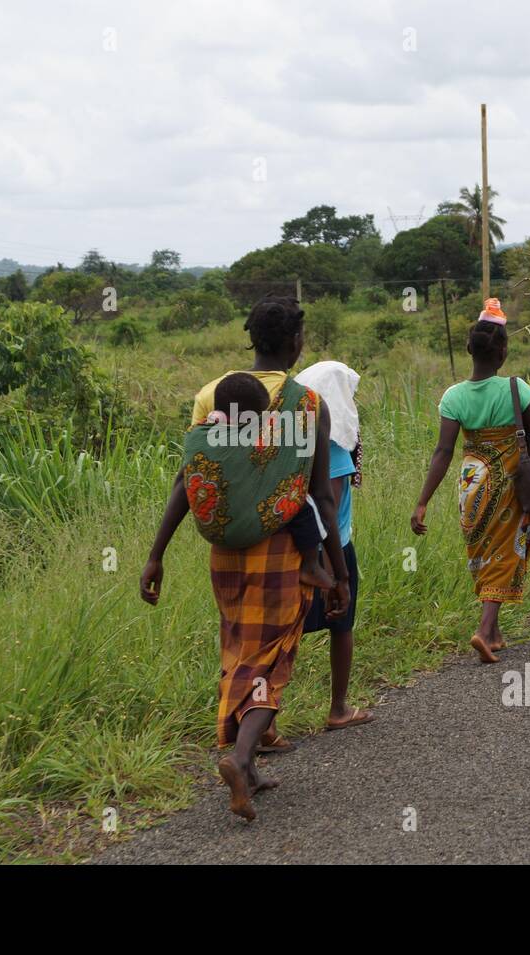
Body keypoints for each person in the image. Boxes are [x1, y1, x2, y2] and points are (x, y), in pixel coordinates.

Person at [140, 295, 350, 822]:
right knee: (274, 654)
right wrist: (336, 569)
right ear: (295, 342)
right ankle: (239, 756)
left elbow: (190, 478)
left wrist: (155, 555)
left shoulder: (211, 394)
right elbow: (320, 494)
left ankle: (250, 770)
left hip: (225, 550)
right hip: (281, 548)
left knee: (238, 648)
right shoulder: (307, 403)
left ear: (251, 339)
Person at [410, 299, 530, 662]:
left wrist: (423, 501)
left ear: (469, 350)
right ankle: (484, 630)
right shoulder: (515, 389)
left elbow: (442, 452)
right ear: (503, 352)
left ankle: (497, 631)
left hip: (470, 484)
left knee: (483, 554)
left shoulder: (453, 396)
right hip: (509, 484)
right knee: (506, 553)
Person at [294, 360, 374, 732]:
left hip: (295, 550)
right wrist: (334, 571)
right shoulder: (337, 448)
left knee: (286, 634)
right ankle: (338, 707)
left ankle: (265, 721)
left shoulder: (292, 442)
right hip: (333, 550)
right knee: (341, 627)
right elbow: (330, 510)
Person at [199, 372, 334, 589]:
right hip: (254, 494)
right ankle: (311, 565)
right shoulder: (245, 429)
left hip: (227, 504)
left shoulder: (211, 423)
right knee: (303, 502)